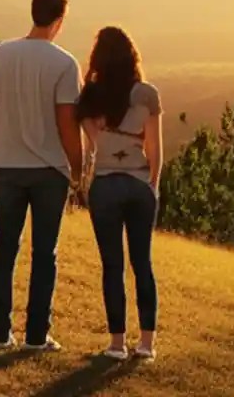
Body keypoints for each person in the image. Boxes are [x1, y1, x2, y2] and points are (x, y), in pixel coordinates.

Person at [0, 0, 84, 351]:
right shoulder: (64, 63)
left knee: (5, 248)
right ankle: (37, 336)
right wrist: (79, 170)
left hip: (7, 166)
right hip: (49, 170)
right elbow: (68, 123)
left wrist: (3, 134)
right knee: (44, 254)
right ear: (59, 20)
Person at [75, 26, 162, 361]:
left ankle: (116, 345)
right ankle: (146, 344)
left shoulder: (90, 97)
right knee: (143, 263)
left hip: (106, 185)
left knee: (112, 266)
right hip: (139, 184)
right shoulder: (146, 94)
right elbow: (155, 149)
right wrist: (152, 184)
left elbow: (91, 149)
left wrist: (83, 183)